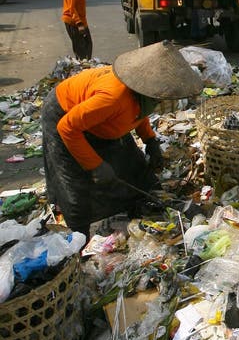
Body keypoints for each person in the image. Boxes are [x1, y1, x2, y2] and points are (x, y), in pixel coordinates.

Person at [41, 40, 204, 239]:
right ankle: (80, 238)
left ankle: (141, 208)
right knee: (75, 184)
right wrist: (95, 166)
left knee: (134, 170)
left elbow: (137, 114)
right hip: (64, 116)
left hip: (102, 121)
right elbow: (67, 127)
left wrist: (150, 141)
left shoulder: (140, 94)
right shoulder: (113, 98)